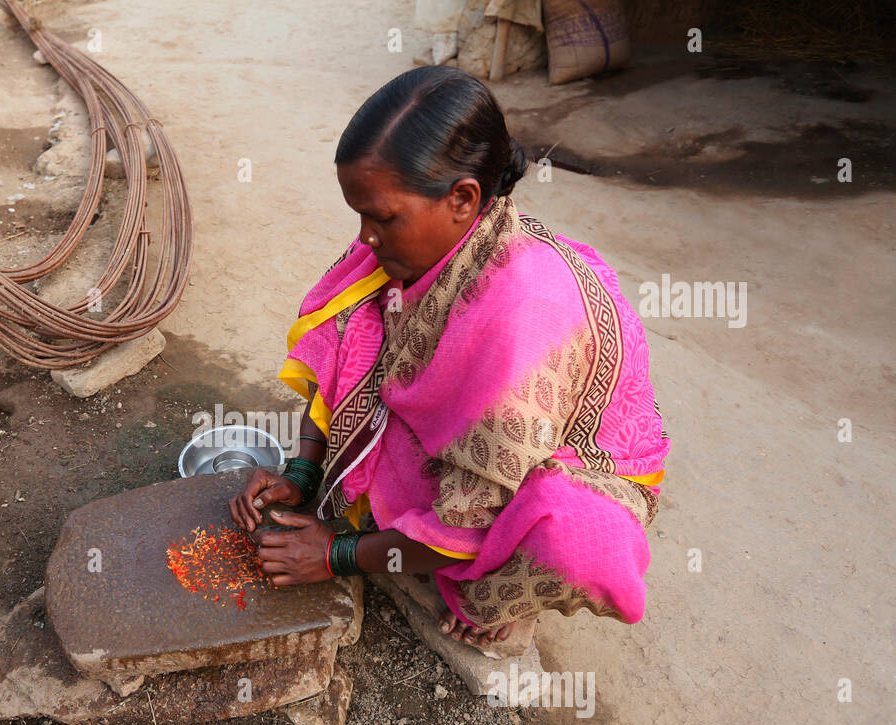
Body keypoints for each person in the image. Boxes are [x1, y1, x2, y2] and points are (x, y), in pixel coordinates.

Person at [229, 66, 669, 650]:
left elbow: (481, 505)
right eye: (359, 215)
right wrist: (304, 473)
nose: (365, 237)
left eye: (382, 217)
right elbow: (344, 353)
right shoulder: (415, 247)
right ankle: (399, 526)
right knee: (355, 317)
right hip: (483, 438)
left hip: (563, 471)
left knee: (571, 541)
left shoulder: (521, 316)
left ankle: (494, 588)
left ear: (463, 199)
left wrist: (333, 555)